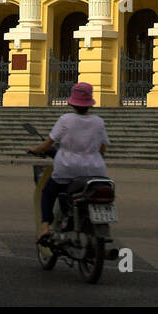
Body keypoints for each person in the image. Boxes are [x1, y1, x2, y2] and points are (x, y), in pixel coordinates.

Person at [26, 82, 108, 241]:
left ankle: (45, 227)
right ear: (90, 103)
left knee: (48, 192)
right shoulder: (98, 122)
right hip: (96, 171)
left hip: (68, 170)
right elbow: (103, 148)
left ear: (72, 102)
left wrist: (36, 149)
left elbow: (48, 143)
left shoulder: (66, 120)